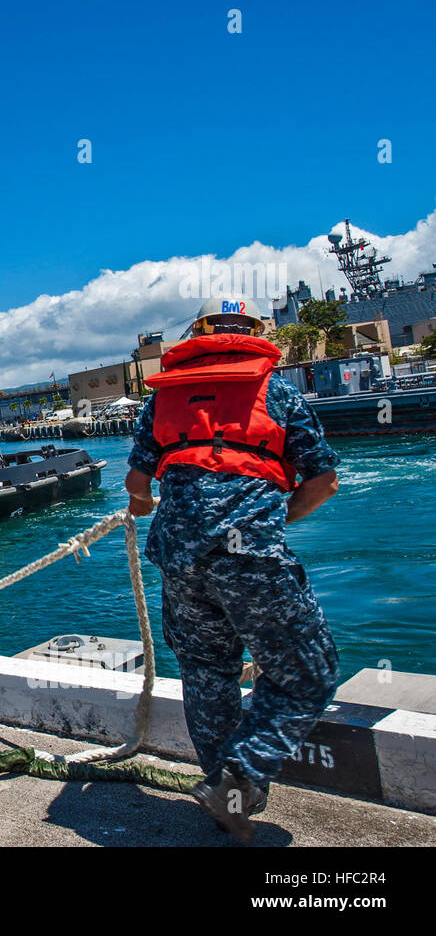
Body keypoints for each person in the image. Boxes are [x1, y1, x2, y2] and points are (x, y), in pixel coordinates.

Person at [125, 297, 340, 843]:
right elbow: (323, 483)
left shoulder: (165, 398)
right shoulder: (278, 392)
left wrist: (149, 505)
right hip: (251, 556)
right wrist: (271, 519)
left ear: (197, 336)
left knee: (207, 673)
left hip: (178, 557)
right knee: (306, 675)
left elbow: (136, 485)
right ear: (254, 334)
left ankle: (227, 795)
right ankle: (240, 779)